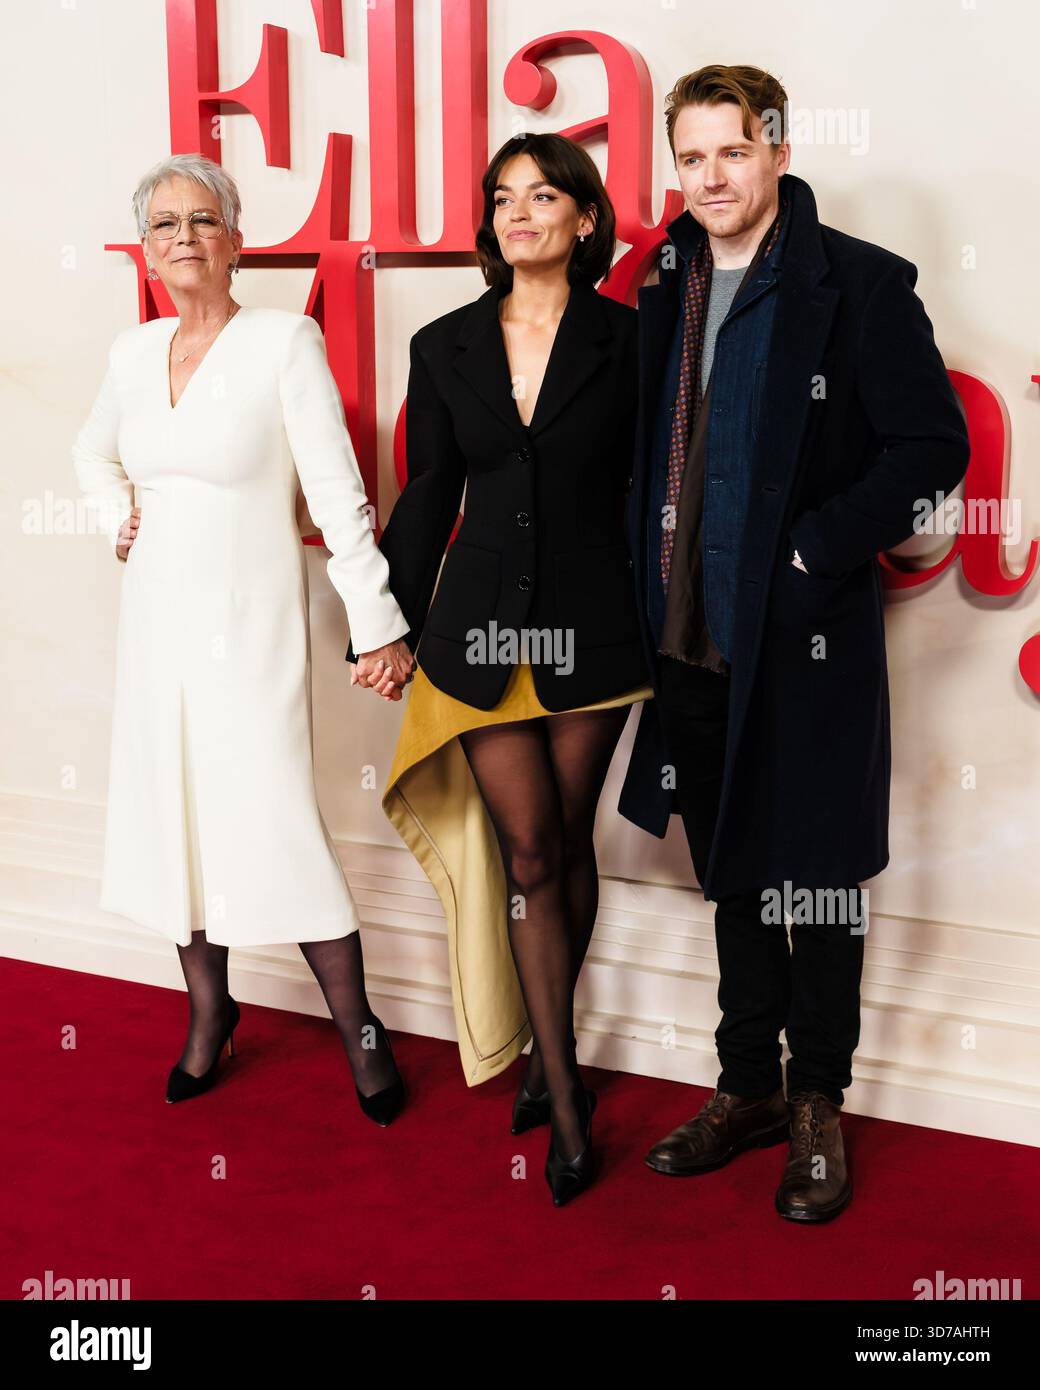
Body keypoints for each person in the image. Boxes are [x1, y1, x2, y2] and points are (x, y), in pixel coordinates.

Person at [617, 66, 970, 1220]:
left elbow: (928, 445)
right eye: (690, 157)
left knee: (813, 874)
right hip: (689, 634)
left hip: (804, 641)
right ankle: (743, 1088)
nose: (710, 177)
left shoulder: (856, 285)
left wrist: (814, 553)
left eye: (732, 152)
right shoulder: (663, 279)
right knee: (731, 867)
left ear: (774, 149)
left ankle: (816, 1098)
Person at [72, 153, 414, 1124]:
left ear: (236, 238)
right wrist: (114, 514)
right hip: (155, 634)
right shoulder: (130, 356)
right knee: (172, 818)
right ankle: (209, 1010)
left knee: (271, 818)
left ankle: (359, 1027)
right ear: (146, 249)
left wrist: (376, 624)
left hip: (249, 631)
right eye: (164, 224)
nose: (183, 237)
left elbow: (341, 496)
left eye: (202, 220)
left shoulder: (281, 342)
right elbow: (89, 451)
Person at [346, 133, 653, 1205]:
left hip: (593, 627)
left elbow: (650, 493)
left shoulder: (633, 339)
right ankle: (562, 1089)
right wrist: (382, 626)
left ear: (581, 218)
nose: (517, 211)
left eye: (542, 195)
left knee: (566, 842)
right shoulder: (443, 345)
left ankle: (545, 1049)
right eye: (500, 197)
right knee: (527, 850)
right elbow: (428, 494)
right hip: (476, 633)